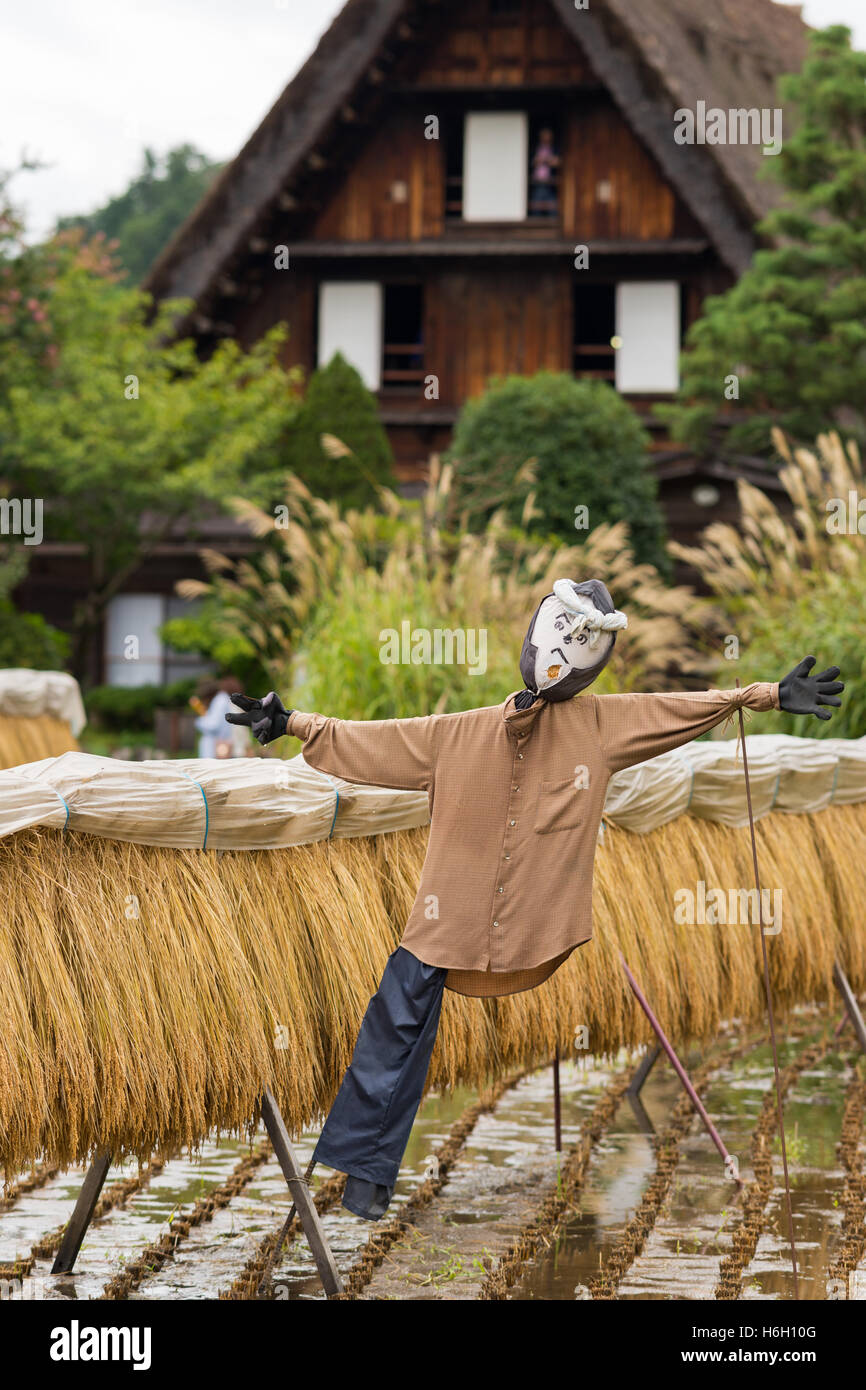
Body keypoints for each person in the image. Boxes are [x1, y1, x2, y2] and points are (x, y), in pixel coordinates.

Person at [226, 579, 844, 1220]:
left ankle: (365, 1178)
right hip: (449, 916)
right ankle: (366, 1178)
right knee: (395, 1014)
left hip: (536, 919)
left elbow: (676, 708)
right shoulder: (457, 734)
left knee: (401, 1010)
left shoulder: (600, 726)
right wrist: (291, 721)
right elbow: (378, 740)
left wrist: (765, 696)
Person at [190, 676, 242, 758]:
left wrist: (199, 721)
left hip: (215, 749)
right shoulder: (221, 699)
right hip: (218, 748)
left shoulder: (220, 700)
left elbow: (213, 725)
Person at [531, 126, 560, 216]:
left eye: (548, 135)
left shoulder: (555, 149)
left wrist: (544, 160)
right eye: (544, 135)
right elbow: (533, 161)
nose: (546, 137)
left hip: (550, 183)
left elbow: (557, 162)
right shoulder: (535, 148)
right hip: (538, 182)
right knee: (536, 207)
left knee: (553, 209)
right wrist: (545, 160)